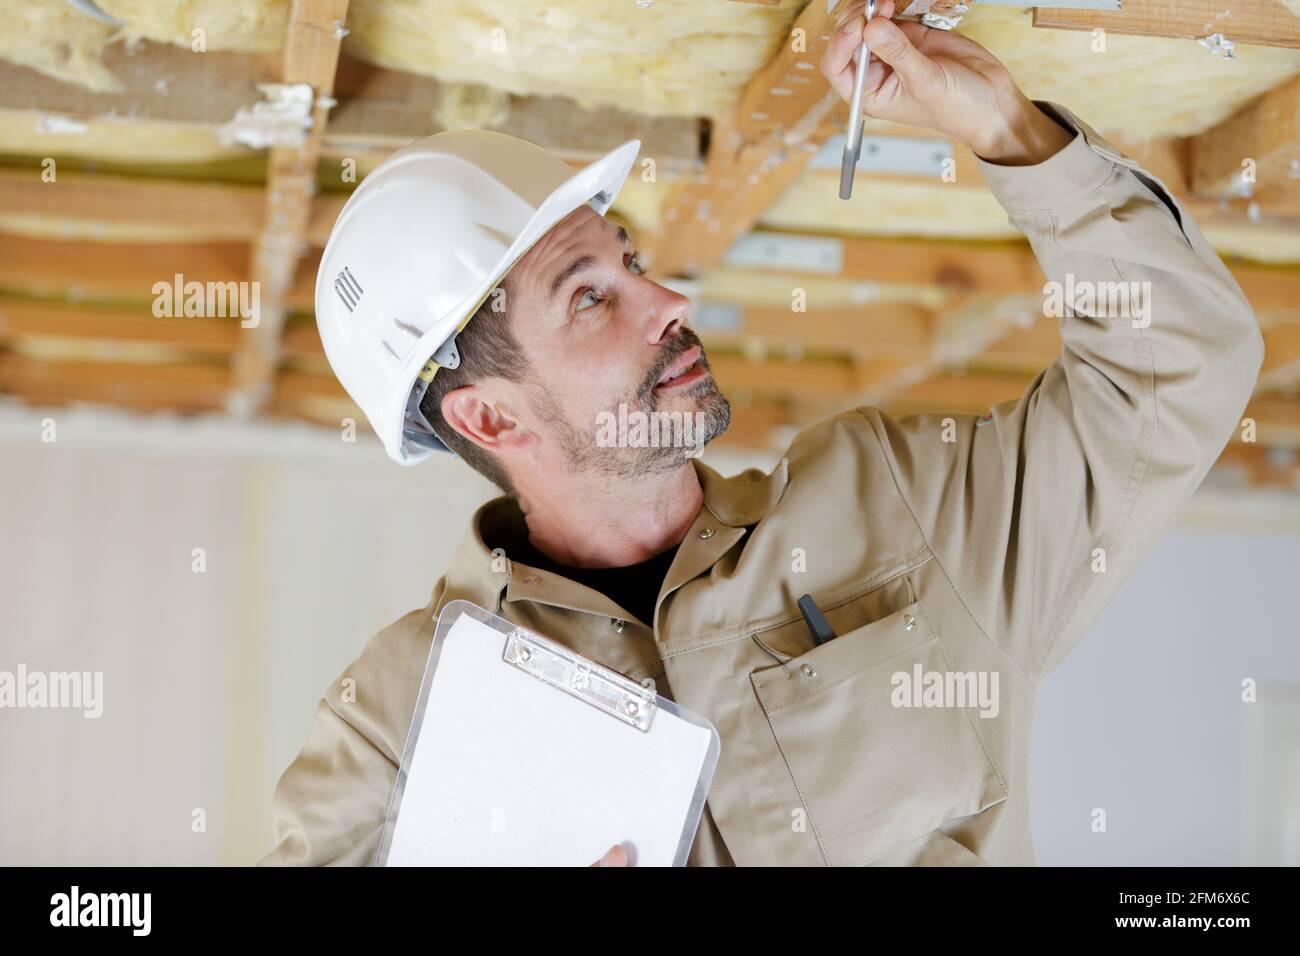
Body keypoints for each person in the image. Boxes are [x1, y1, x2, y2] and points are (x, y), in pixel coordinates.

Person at [261, 1, 1263, 866]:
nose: (668, 298)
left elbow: (1180, 365)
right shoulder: (400, 716)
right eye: (590, 298)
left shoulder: (901, 509)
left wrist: (1005, 126)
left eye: (632, 258)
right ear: (488, 413)